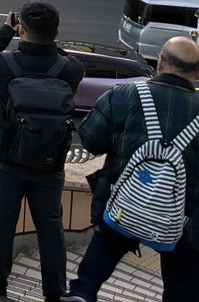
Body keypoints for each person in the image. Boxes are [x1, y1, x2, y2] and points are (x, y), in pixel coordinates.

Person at [63, 37, 199, 302]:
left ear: (160, 62)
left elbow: (91, 139)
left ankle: (81, 294)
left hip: (123, 205)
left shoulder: (124, 95)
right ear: (196, 74)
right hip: (185, 221)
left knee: (103, 252)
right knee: (183, 284)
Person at [0, 2, 84, 302]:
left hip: (6, 161)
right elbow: (66, 61)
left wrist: (6, 32)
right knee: (50, 229)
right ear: (56, 32)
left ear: (21, 29)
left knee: (1, 226)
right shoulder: (71, 70)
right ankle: (54, 294)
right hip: (49, 165)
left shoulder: (1, 65)